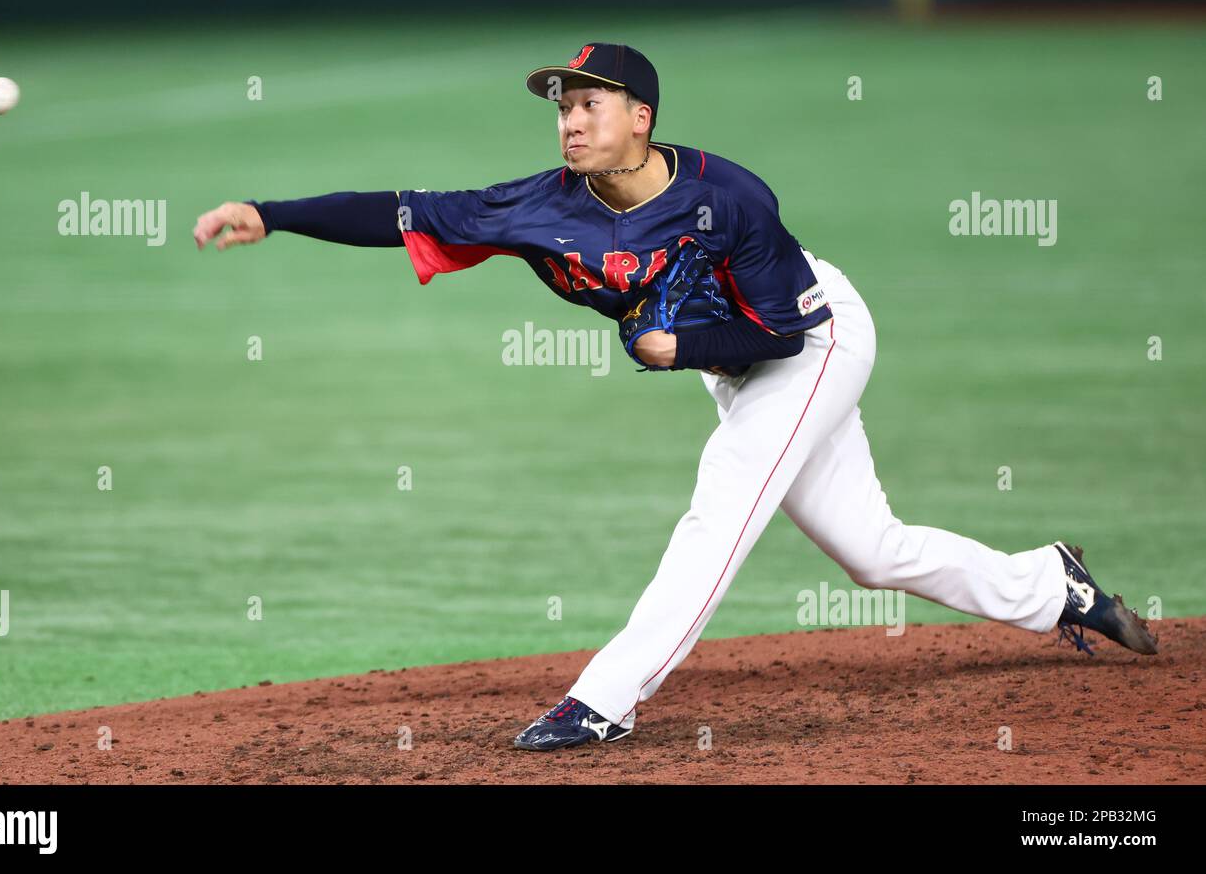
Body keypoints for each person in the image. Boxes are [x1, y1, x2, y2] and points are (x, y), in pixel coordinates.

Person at [193, 42, 1158, 753]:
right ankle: (1053, 583)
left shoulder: (728, 198)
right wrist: (269, 217)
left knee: (724, 499)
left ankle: (603, 698)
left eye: (591, 103)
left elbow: (782, 330)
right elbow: (398, 210)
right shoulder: (536, 206)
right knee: (872, 551)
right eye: (562, 105)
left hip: (814, 335)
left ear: (641, 116)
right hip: (732, 360)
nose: (570, 119)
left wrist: (678, 345)